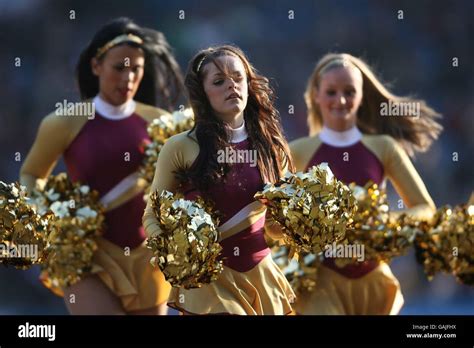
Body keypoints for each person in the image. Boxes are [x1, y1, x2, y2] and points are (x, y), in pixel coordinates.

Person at [20, 17, 184, 315]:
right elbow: (31, 173)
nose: (129, 78)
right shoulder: (65, 121)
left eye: (136, 69)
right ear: (96, 66)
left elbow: (178, 183)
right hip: (87, 255)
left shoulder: (160, 121)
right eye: (119, 68)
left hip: (146, 257)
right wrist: (47, 214)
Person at [143, 45, 295, 315]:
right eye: (219, 81)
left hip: (260, 274)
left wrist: (298, 225)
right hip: (208, 282)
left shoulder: (271, 149)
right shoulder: (180, 146)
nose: (232, 86)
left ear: (249, 86)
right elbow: (152, 216)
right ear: (203, 93)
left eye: (238, 78)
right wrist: (176, 250)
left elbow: (272, 229)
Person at [289, 53, 442, 315]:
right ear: (315, 96)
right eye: (331, 92)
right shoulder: (297, 151)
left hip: (374, 281)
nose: (341, 100)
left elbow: (424, 207)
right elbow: (274, 217)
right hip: (319, 283)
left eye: (349, 92)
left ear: (361, 96)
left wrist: (385, 225)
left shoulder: (383, 147)